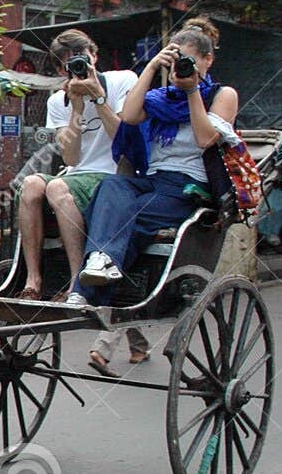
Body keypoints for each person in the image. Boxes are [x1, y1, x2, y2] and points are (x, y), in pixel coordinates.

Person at [74, 22, 238, 304]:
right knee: (111, 186)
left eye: (188, 61)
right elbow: (129, 116)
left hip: (189, 186)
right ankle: (101, 265)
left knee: (125, 217)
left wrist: (192, 91)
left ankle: (86, 293)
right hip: (152, 178)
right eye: (175, 62)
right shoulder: (160, 98)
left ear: (208, 60)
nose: (180, 68)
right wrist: (150, 68)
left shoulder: (222, 95)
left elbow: (205, 138)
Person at [17, 30, 139, 302]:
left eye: (82, 60)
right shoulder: (57, 101)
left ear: (94, 56)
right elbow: (71, 159)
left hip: (114, 176)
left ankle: (76, 284)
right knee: (31, 184)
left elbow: (124, 144)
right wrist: (77, 109)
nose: (78, 68)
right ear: (62, 69)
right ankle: (33, 279)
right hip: (77, 176)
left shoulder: (122, 81)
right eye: (68, 65)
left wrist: (97, 97)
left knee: (58, 187)